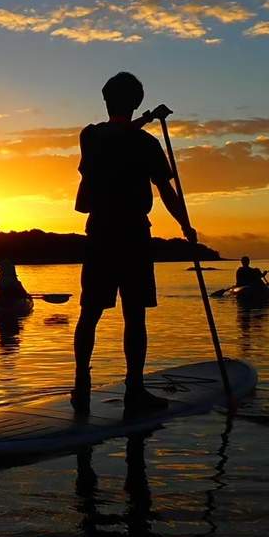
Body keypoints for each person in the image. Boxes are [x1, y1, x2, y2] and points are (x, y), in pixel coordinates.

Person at [72, 71, 197, 414]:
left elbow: (166, 189)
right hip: (125, 234)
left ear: (107, 100)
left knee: (104, 313)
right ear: (135, 103)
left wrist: (186, 225)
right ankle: (107, 386)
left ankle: (105, 386)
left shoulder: (95, 137)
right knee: (119, 314)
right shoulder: (114, 138)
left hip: (106, 233)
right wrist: (148, 119)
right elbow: (166, 190)